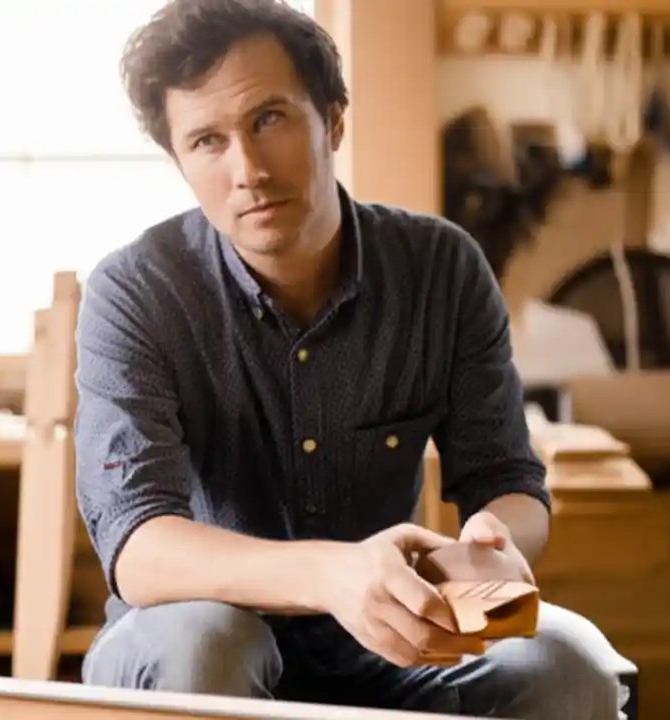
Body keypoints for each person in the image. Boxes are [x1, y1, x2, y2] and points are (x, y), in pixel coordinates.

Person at [73, 1, 622, 717]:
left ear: (332, 119)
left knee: (569, 663)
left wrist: (494, 541)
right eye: (208, 141)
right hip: (194, 639)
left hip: (392, 637)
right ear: (180, 160)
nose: (248, 170)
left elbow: (507, 481)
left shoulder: (441, 268)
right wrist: (333, 574)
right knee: (207, 638)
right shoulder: (134, 291)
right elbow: (139, 547)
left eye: (270, 119)